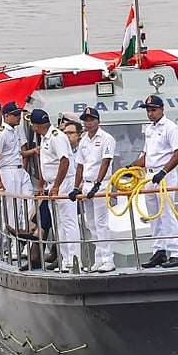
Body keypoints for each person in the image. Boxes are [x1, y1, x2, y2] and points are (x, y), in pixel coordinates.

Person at [130, 95, 178, 268]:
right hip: (149, 175)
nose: (150, 113)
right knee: (153, 216)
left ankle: (177, 253)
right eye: (148, 110)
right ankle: (159, 251)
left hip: (164, 176)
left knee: (167, 214)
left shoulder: (171, 128)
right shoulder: (149, 129)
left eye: (153, 110)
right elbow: (147, 156)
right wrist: (130, 167)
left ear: (162, 109)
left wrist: (163, 171)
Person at [31, 109, 79, 272]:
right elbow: (46, 164)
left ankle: (74, 260)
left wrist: (57, 185)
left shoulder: (56, 137)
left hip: (64, 183)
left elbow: (64, 161)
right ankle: (65, 259)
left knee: (68, 222)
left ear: (35, 126)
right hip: (52, 184)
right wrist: (43, 185)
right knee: (58, 223)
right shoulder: (46, 137)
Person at [70, 107, 116, 272]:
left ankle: (108, 260)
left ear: (98, 121)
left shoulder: (106, 138)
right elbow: (80, 165)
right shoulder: (83, 141)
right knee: (91, 224)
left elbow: (106, 162)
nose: (89, 123)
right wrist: (76, 187)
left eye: (92, 120)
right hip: (86, 184)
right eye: (86, 120)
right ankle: (99, 259)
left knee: (101, 223)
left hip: (101, 184)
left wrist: (97, 184)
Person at [0, 101, 32, 261]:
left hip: (20, 170)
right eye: (15, 115)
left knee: (28, 205)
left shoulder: (14, 131)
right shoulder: (2, 133)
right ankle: (13, 246)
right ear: (6, 116)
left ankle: (24, 240)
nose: (18, 117)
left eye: (19, 114)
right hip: (8, 171)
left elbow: (19, 152)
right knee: (12, 209)